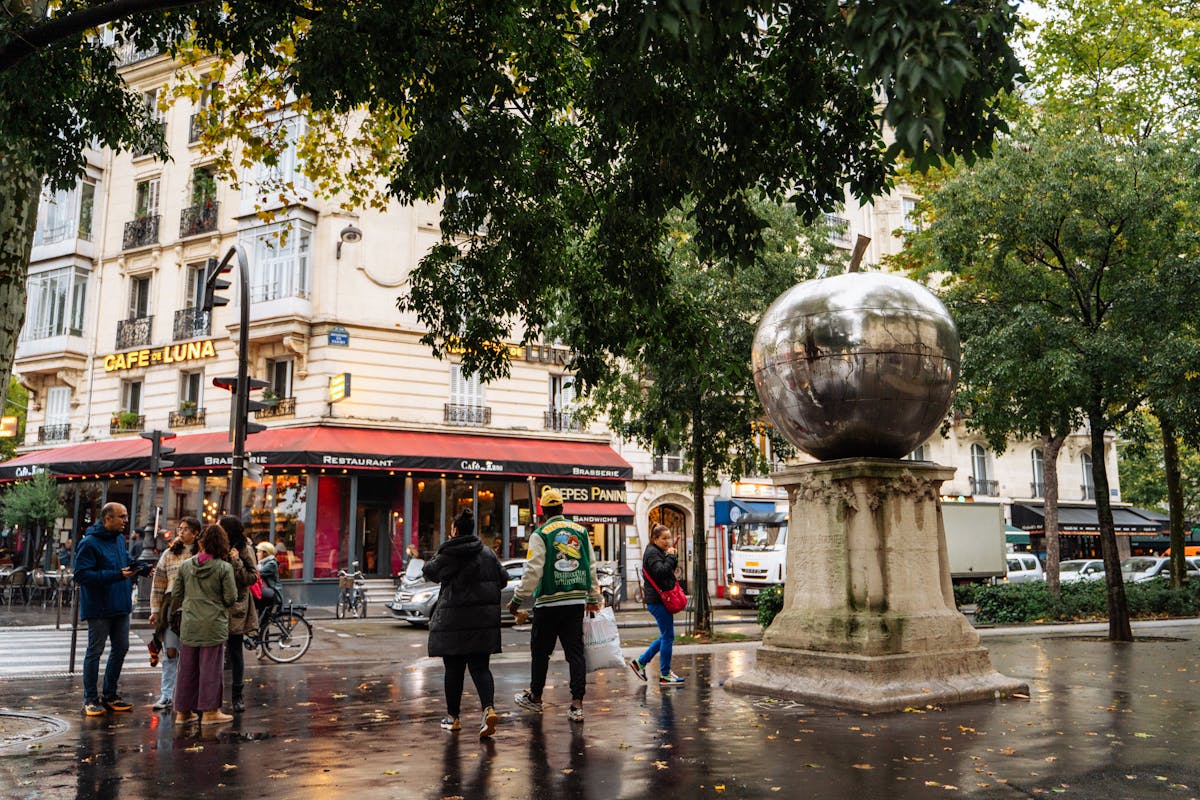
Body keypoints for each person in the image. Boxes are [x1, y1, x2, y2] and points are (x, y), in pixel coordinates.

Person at [507, 487, 601, 723]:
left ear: (543, 511)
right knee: (575, 654)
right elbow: (590, 566)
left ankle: (536, 697)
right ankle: (577, 704)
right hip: (575, 603)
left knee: (541, 653)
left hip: (548, 603)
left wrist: (518, 599)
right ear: (562, 508)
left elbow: (533, 570)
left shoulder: (540, 534)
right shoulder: (580, 531)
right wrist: (593, 598)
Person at [423, 509, 505, 737]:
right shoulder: (487, 553)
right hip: (482, 623)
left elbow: (429, 571)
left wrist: (444, 547)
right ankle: (488, 709)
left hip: (453, 623)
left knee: (454, 670)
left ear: (455, 530)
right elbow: (503, 578)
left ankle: (453, 717)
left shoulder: (449, 553)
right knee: (480, 668)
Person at [74, 502, 138, 717]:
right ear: (107, 518)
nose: (125, 521)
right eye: (122, 516)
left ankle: (110, 695)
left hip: (120, 604)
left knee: (121, 648)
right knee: (95, 651)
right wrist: (117, 575)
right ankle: (90, 699)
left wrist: (140, 568)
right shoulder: (89, 543)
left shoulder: (119, 539)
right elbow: (81, 575)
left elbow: (125, 562)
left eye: (126, 516)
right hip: (99, 606)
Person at [170, 524, 237, 726]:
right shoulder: (224, 568)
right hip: (213, 623)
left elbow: (176, 594)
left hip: (190, 623)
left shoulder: (185, 566)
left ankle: (183, 712)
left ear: (201, 542)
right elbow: (231, 597)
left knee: (186, 669)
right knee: (210, 669)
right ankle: (209, 712)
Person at [148, 517, 201, 710]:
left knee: (190, 651)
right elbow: (159, 583)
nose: (181, 532)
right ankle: (167, 694)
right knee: (170, 650)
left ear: (195, 533)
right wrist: (155, 610)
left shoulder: (202, 554)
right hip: (171, 607)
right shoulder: (169, 553)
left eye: (186, 529)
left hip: (193, 606)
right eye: (180, 528)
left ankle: (187, 694)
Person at [628, 524, 685, 686]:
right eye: (664, 538)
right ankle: (664, 674)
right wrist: (671, 557)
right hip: (658, 601)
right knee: (668, 637)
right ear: (655, 539)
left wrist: (671, 556)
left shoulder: (657, 552)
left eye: (669, 537)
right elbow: (661, 572)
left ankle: (640, 662)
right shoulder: (652, 553)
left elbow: (668, 571)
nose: (668, 541)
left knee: (665, 636)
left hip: (660, 600)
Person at [218, 515, 259, 713]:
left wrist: (235, 561)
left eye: (220, 527)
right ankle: (211, 695)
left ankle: (237, 695)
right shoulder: (215, 545)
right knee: (214, 652)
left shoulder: (243, 548)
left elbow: (252, 577)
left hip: (235, 605)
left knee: (235, 651)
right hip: (216, 603)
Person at [255, 541, 284, 629]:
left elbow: (257, 574)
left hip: (273, 594)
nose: (257, 553)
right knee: (263, 618)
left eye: (259, 551)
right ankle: (262, 638)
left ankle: (263, 639)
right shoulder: (263, 563)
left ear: (265, 553)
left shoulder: (271, 564)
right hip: (266, 592)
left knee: (264, 619)